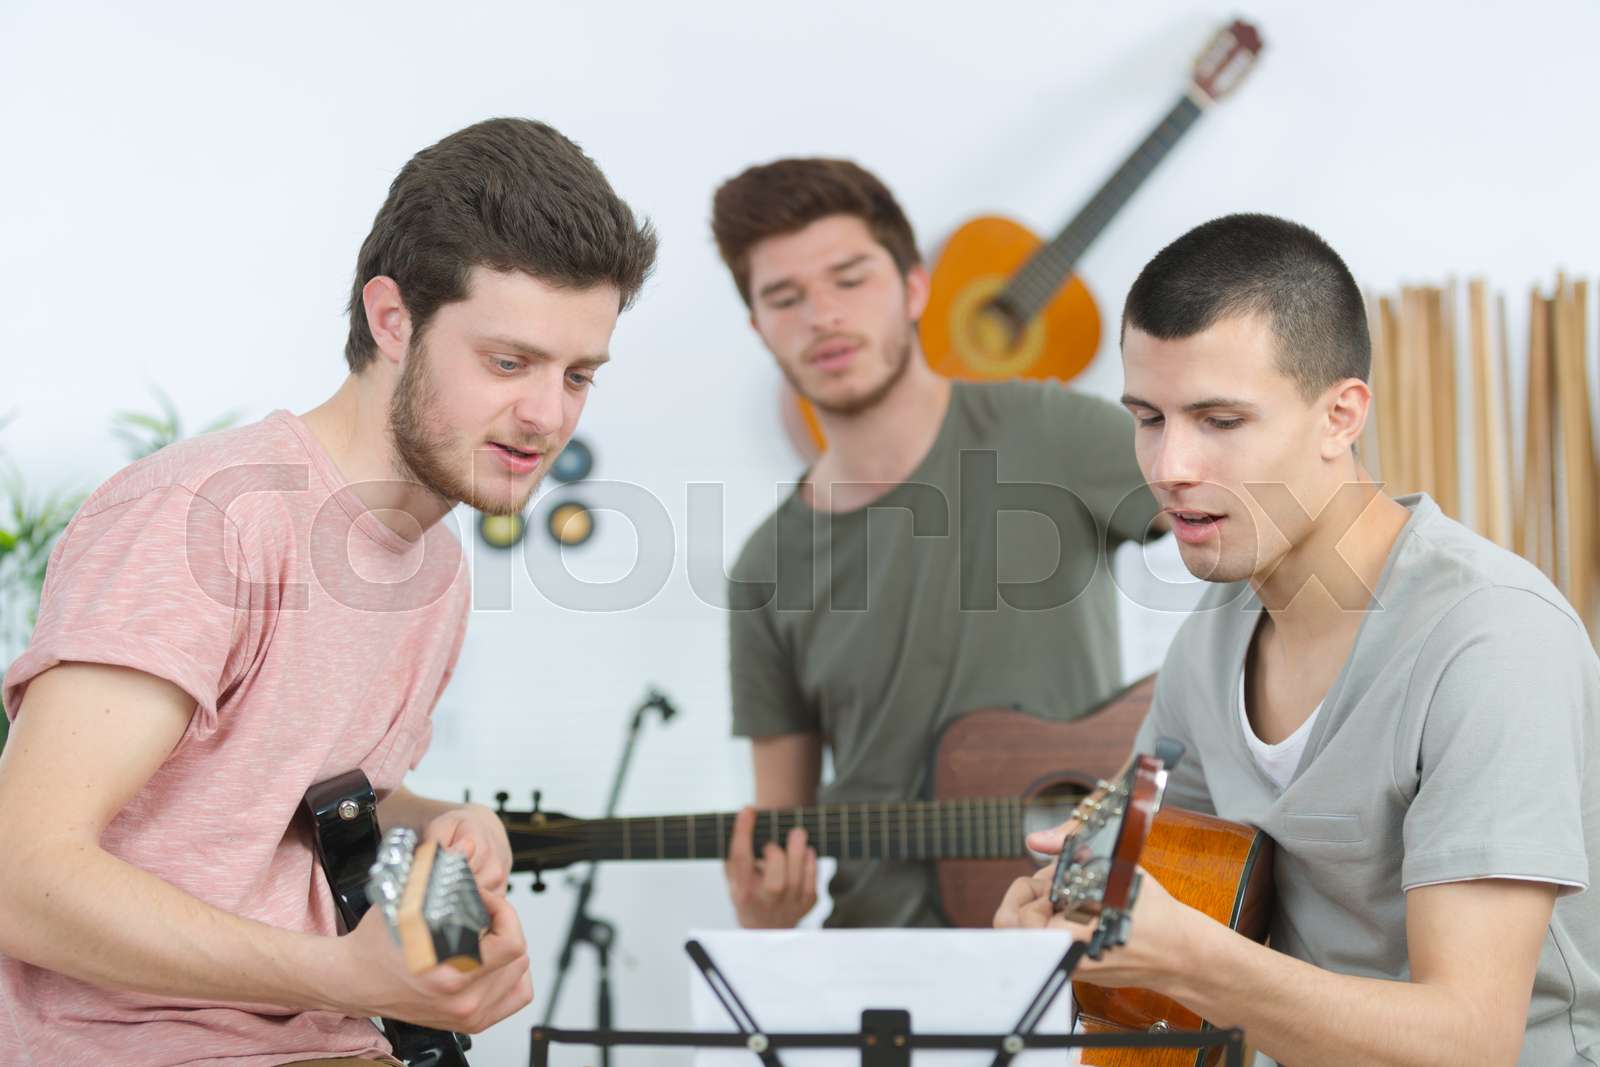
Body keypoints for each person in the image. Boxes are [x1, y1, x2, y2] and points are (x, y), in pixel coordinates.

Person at [0, 117, 656, 1067]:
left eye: (579, 375)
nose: (549, 414)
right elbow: (20, 875)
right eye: (509, 362)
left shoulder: (433, 568)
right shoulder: (205, 518)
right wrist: (347, 975)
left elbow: (294, 805)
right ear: (392, 319)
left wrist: (445, 822)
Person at [996, 213, 1599, 1066]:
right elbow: (1145, 877)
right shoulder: (1210, 640)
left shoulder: (1492, 642)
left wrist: (1190, 959)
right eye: (1149, 417)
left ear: (1340, 416)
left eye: (1219, 420)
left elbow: (1470, 1043)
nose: (1169, 467)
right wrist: (1065, 913)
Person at [711, 157, 1164, 929]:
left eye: (849, 278)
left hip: (1073, 937)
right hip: (877, 963)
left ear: (915, 288)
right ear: (760, 328)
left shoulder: (1052, 431)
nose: (822, 315)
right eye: (785, 297)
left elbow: (1269, 545)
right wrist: (765, 915)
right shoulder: (764, 568)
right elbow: (779, 826)